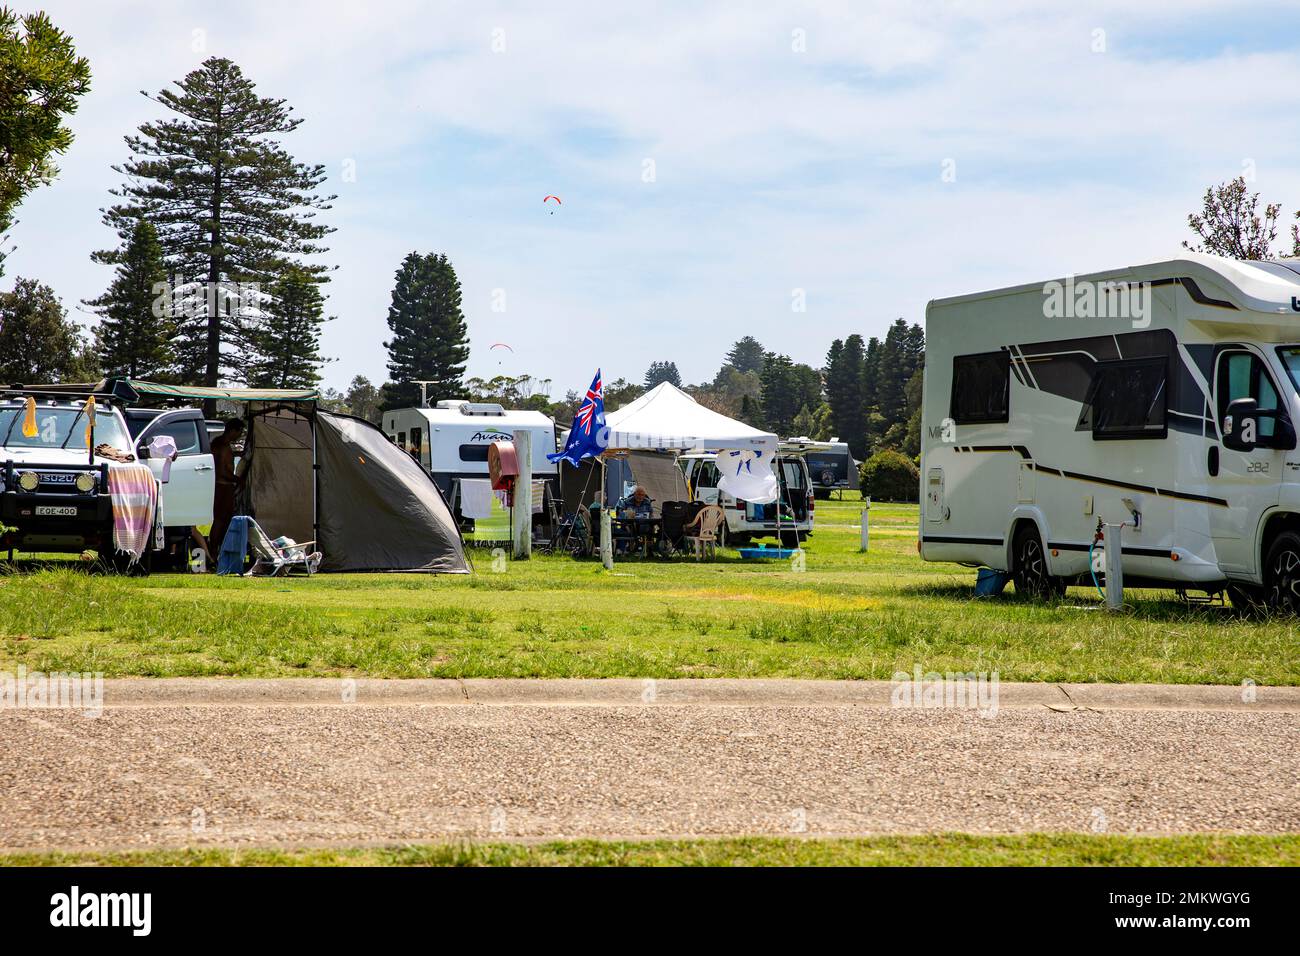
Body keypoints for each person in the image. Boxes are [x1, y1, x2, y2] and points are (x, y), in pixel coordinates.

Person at [208, 418, 245, 557]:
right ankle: (213, 550)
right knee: (220, 519)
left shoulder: (218, 443)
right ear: (233, 430)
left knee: (221, 519)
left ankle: (215, 549)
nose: (240, 435)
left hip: (220, 485)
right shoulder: (223, 446)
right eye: (240, 432)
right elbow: (222, 471)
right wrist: (238, 479)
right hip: (223, 486)